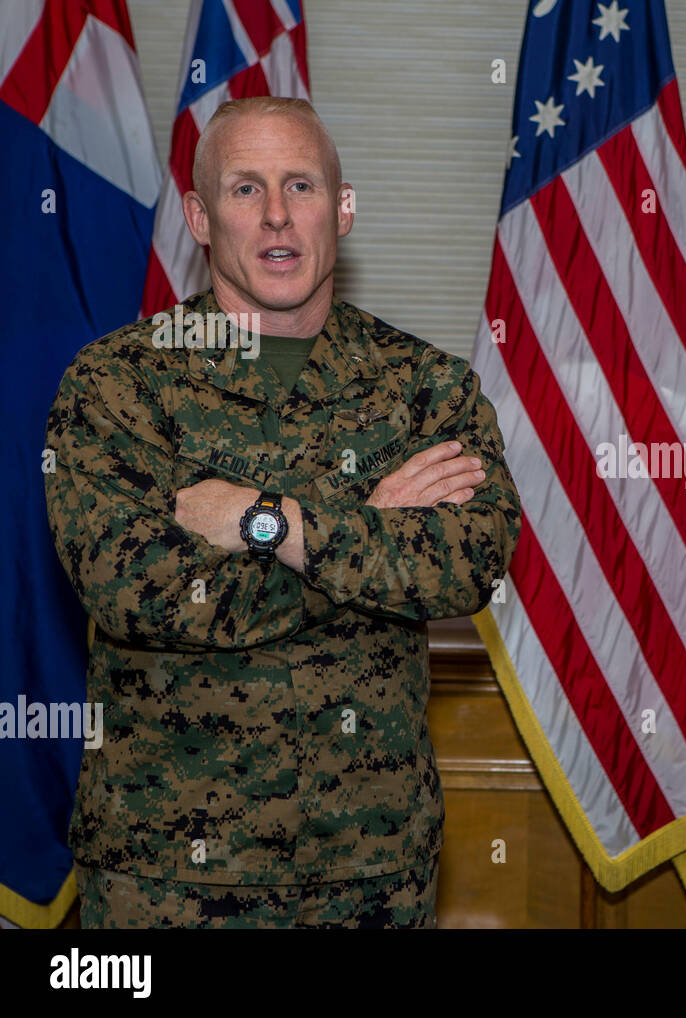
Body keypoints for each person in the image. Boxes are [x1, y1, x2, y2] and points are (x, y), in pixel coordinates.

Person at [43, 97, 520, 928]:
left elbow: (467, 560)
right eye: (243, 189)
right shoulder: (118, 386)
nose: (275, 215)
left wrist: (272, 524)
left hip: (371, 870)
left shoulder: (424, 387)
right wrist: (368, 529)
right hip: (162, 879)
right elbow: (135, 590)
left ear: (342, 207)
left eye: (300, 185)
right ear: (197, 216)